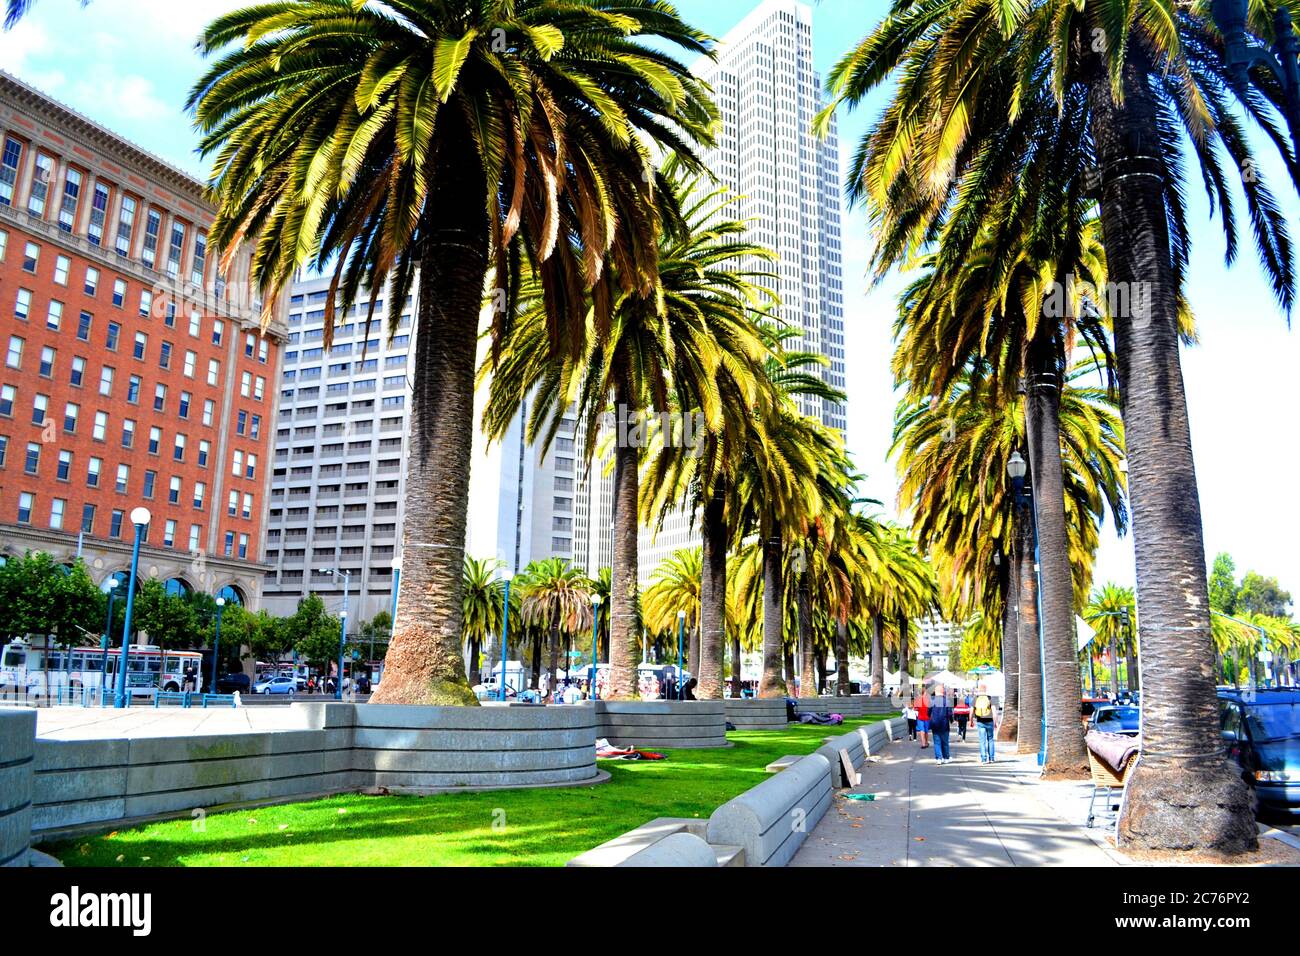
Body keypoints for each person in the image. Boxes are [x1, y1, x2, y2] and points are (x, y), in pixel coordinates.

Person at [973, 682, 998, 764]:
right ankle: (991, 758)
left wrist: (971, 720)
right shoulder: (990, 698)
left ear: (979, 690)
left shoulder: (976, 698)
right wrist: (995, 722)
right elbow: (994, 712)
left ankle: (984, 759)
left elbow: (971, 711)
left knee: (982, 741)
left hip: (980, 722)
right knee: (990, 740)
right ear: (986, 690)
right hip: (989, 721)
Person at [929, 683, 952, 763]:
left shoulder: (932, 701)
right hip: (945, 724)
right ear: (943, 692)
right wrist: (951, 720)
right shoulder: (947, 701)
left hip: (935, 724)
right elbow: (949, 713)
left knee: (937, 742)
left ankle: (939, 758)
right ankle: (946, 757)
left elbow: (928, 712)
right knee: (945, 742)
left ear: (935, 692)